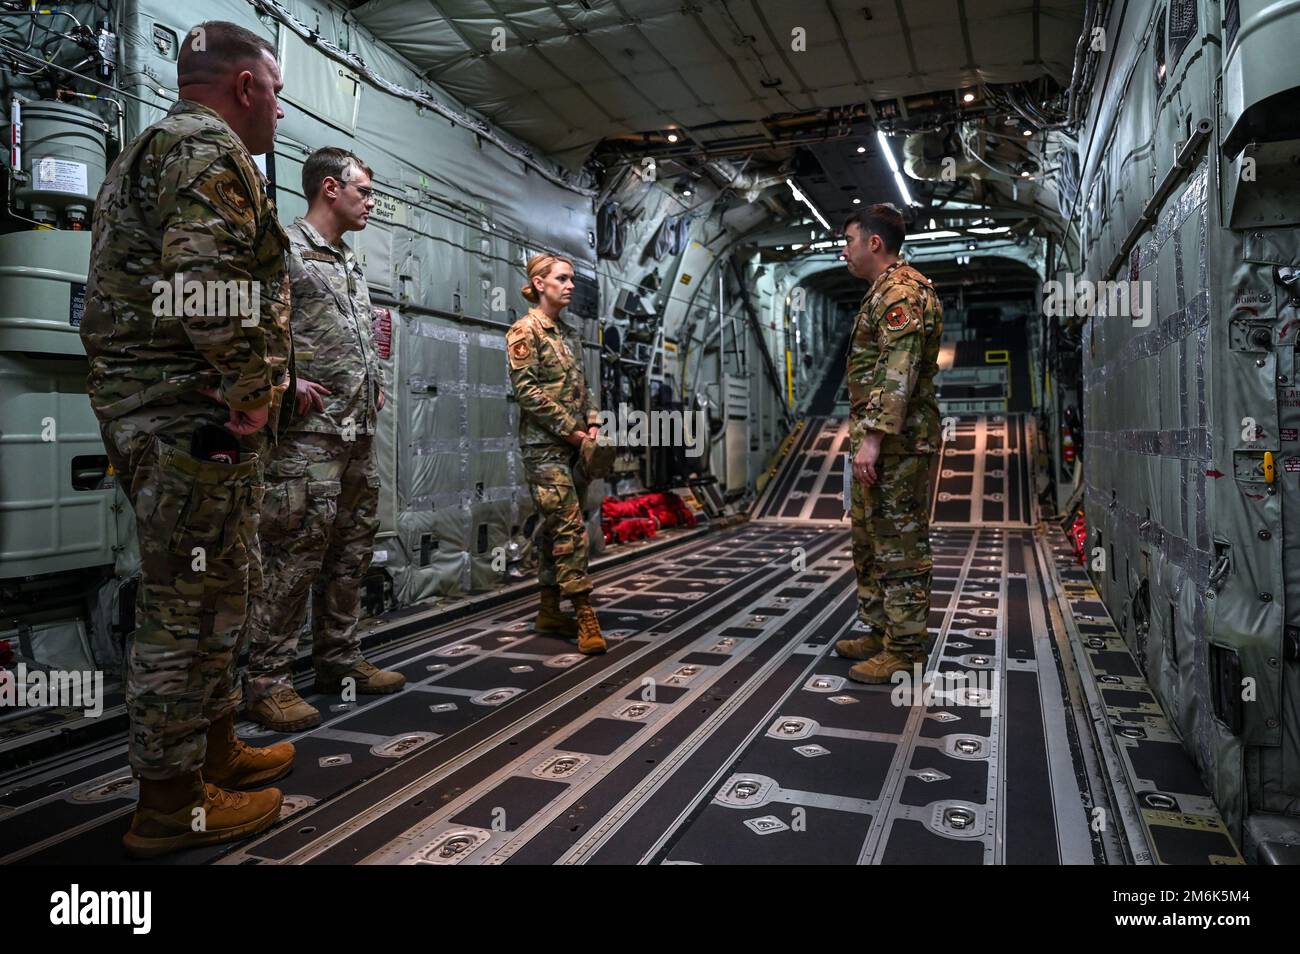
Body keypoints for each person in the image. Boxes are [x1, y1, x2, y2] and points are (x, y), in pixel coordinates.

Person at [79, 20, 295, 857]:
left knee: (219, 590)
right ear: (245, 86)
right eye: (275, 90)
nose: (277, 108)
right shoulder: (204, 151)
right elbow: (203, 288)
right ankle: (170, 803)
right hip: (187, 416)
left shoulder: (162, 148)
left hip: (187, 415)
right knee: (183, 603)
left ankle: (212, 752)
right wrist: (250, 392)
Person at [245, 147, 404, 731]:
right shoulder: (285, 250)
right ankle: (267, 680)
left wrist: (374, 386)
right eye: (364, 191)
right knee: (295, 554)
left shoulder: (348, 261)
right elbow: (252, 323)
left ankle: (339, 658)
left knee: (350, 551)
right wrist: (281, 382)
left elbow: (358, 337)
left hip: (356, 432)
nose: (371, 203)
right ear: (330, 188)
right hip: (307, 439)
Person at [836, 204, 943, 684]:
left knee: (900, 542)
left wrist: (874, 439)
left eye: (849, 241)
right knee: (871, 538)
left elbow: (898, 369)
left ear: (873, 243)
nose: (844, 251)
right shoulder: (883, 292)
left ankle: (905, 649)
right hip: (880, 437)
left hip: (897, 443)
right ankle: (881, 631)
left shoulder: (901, 293)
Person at [505, 255, 606, 654]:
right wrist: (575, 431)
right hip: (545, 447)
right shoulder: (524, 331)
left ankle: (548, 608)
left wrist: (594, 422)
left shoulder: (568, 333)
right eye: (562, 279)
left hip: (578, 444)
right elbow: (527, 393)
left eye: (572, 279)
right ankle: (584, 613)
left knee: (555, 526)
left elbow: (584, 384)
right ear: (539, 282)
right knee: (569, 527)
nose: (570, 286)